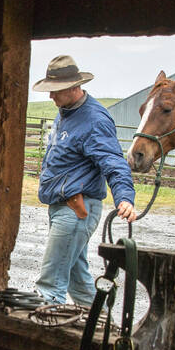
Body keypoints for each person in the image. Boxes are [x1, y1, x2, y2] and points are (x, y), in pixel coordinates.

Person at [32, 55, 136, 306]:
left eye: (55, 90)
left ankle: (46, 330)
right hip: (63, 206)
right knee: (77, 279)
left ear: (74, 87)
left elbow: (113, 162)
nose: (51, 96)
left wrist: (124, 197)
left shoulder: (94, 120)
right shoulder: (65, 113)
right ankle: (99, 324)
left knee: (51, 282)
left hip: (76, 208)